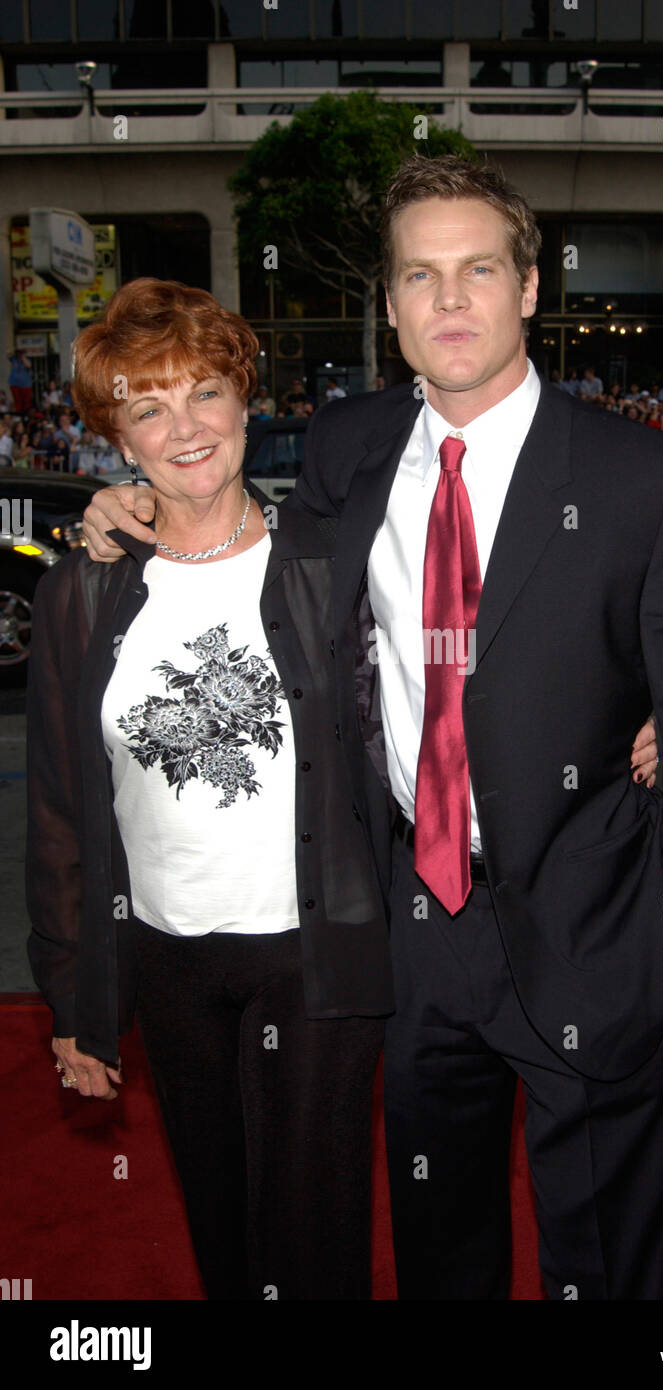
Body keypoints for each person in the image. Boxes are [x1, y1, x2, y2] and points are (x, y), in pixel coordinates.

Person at [80, 157, 663, 1303]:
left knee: (605, 1254)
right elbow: (246, 558)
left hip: (598, 915)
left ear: (528, 287)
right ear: (389, 308)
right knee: (439, 1238)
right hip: (412, 926)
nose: (450, 301)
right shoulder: (345, 451)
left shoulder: (647, 476)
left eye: (478, 268)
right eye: (419, 276)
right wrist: (127, 508)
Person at [26, 277, 392, 1301]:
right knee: (220, 1222)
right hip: (165, 959)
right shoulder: (83, 587)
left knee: (310, 1231)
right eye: (147, 406)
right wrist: (72, 992)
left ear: (246, 403)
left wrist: (638, 708)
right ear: (117, 440)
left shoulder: (327, 563)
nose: (183, 427)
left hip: (311, 956)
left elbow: (463, 668)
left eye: (203, 393)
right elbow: (58, 803)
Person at [8, 350, 33, 414]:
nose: (20, 354)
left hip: (25, 384)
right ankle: (19, 413)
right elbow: (8, 353)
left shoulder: (28, 359)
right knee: (17, 401)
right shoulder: (14, 359)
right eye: (19, 353)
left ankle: (26, 413)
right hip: (14, 384)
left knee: (26, 402)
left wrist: (23, 358)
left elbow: (29, 365)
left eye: (21, 353)